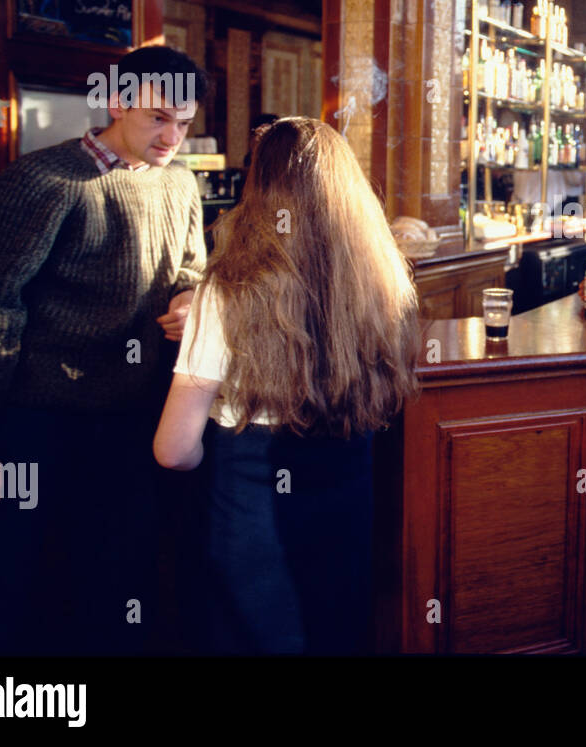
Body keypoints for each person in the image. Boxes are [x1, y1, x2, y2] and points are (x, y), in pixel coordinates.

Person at [0, 45, 208, 654]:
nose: (173, 135)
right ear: (117, 103)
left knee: (114, 587)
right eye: (157, 118)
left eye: (185, 122)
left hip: (134, 418)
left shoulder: (181, 183)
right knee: (8, 590)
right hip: (38, 420)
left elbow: (192, 269)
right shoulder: (42, 181)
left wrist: (190, 300)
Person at [153, 117, 420, 655]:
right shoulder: (386, 285)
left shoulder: (225, 294)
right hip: (347, 506)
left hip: (248, 519)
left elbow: (173, 450)